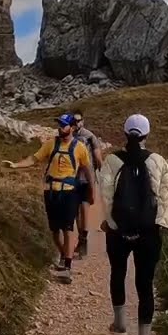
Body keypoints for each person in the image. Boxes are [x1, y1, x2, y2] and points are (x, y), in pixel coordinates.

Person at [98, 113, 168, 335]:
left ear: (124, 133)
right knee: (145, 284)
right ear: (147, 135)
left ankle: (120, 324)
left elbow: (106, 197)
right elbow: (164, 200)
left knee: (118, 273)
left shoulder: (111, 160)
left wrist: (111, 224)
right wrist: (155, 224)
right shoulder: (159, 161)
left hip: (118, 231)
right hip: (149, 232)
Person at [5, 113, 95, 283]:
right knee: (55, 230)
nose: (60, 128)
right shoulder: (50, 144)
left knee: (68, 228)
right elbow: (34, 158)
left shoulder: (80, 147)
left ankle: (67, 267)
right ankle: (63, 254)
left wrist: (92, 190)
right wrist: (16, 165)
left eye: (63, 125)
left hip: (69, 192)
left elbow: (87, 170)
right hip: (51, 191)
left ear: (72, 128)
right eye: (59, 125)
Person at [71, 108, 102, 259]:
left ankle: (83, 240)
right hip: (72, 178)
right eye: (74, 120)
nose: (76, 123)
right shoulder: (68, 135)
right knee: (76, 212)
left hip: (86, 177)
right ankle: (81, 240)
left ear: (82, 121)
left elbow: (97, 156)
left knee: (84, 208)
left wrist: (99, 172)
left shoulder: (90, 136)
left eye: (78, 120)